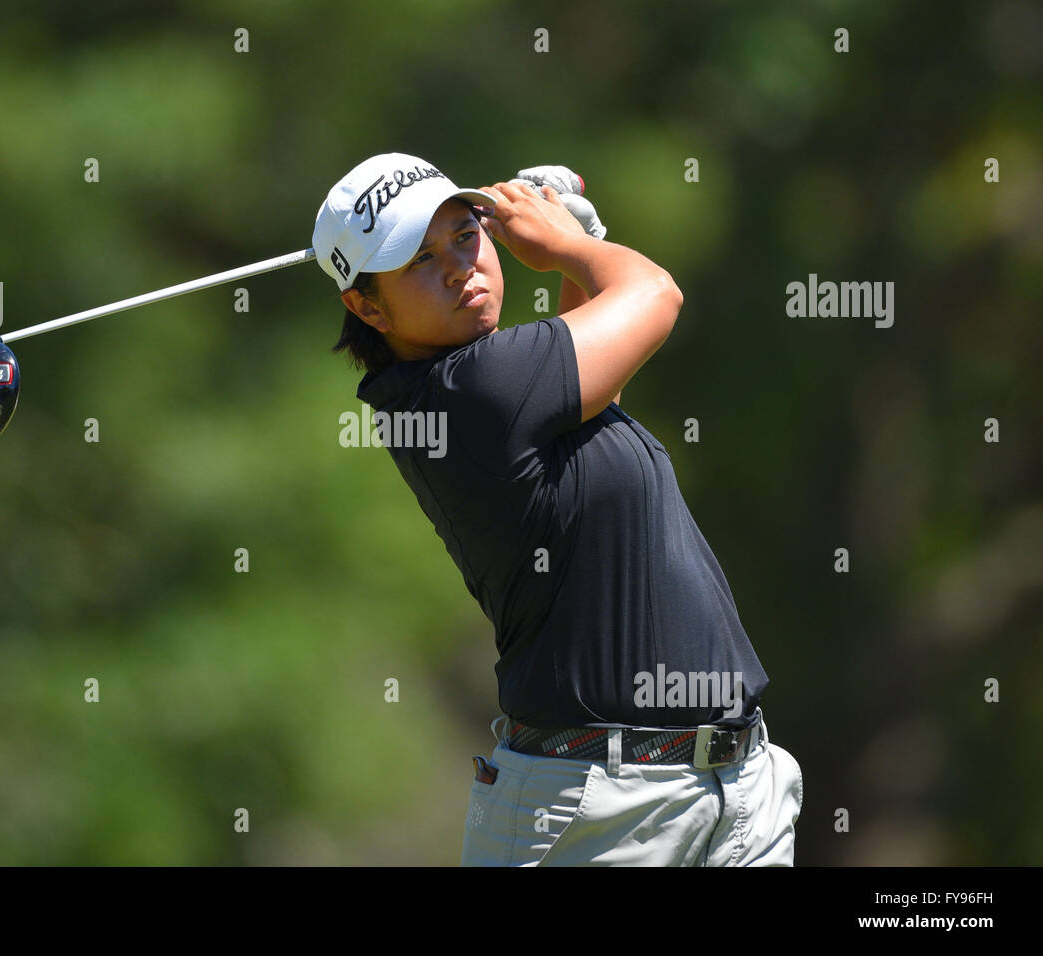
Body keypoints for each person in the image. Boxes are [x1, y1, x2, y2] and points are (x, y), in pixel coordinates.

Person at [312, 152, 803, 866]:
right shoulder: (471, 392)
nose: (459, 267)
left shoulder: (479, 385)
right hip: (599, 818)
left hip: (734, 794)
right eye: (419, 260)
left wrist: (573, 247)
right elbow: (656, 293)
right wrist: (567, 243)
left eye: (465, 235)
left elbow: (576, 400)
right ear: (365, 305)